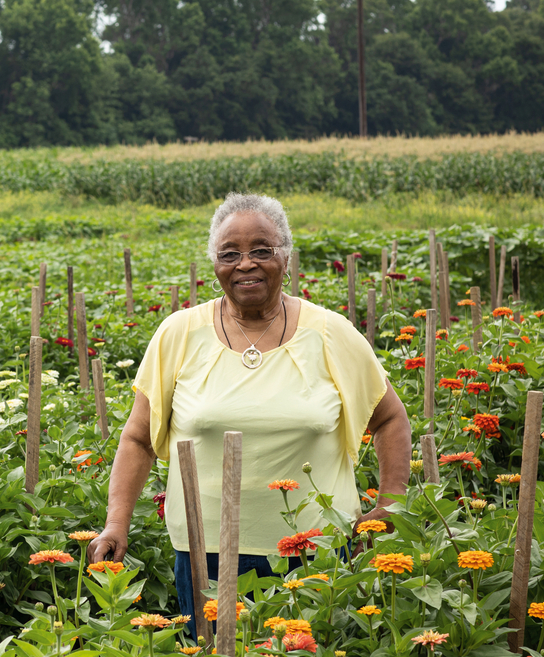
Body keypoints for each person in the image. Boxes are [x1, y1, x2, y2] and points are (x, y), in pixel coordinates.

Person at [88, 193, 411, 632]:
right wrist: (115, 523)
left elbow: (390, 417)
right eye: (230, 254)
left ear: (286, 257)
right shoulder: (179, 334)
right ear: (214, 264)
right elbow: (138, 438)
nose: (246, 263)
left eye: (262, 250)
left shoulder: (330, 332)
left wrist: (390, 504)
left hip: (315, 549)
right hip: (205, 550)